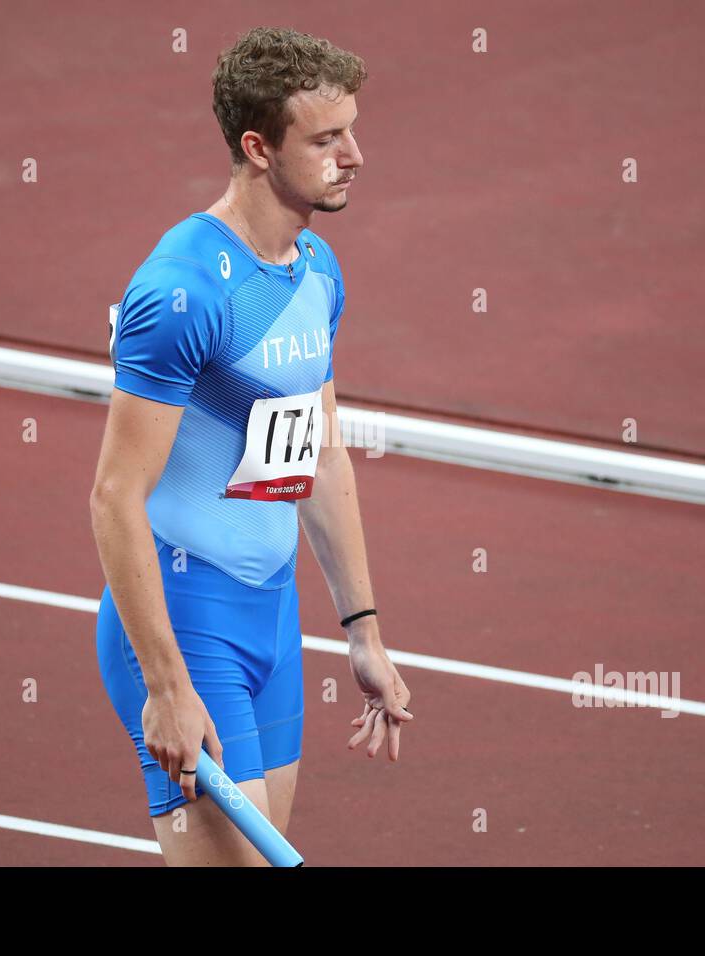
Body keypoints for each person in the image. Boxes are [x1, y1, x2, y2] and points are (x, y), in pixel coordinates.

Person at [90, 26, 413, 866]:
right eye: (327, 138)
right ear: (258, 147)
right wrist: (166, 685)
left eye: (352, 129)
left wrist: (361, 628)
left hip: (272, 615)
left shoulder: (316, 269)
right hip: (185, 622)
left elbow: (322, 453)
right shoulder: (183, 291)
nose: (355, 154)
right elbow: (114, 496)